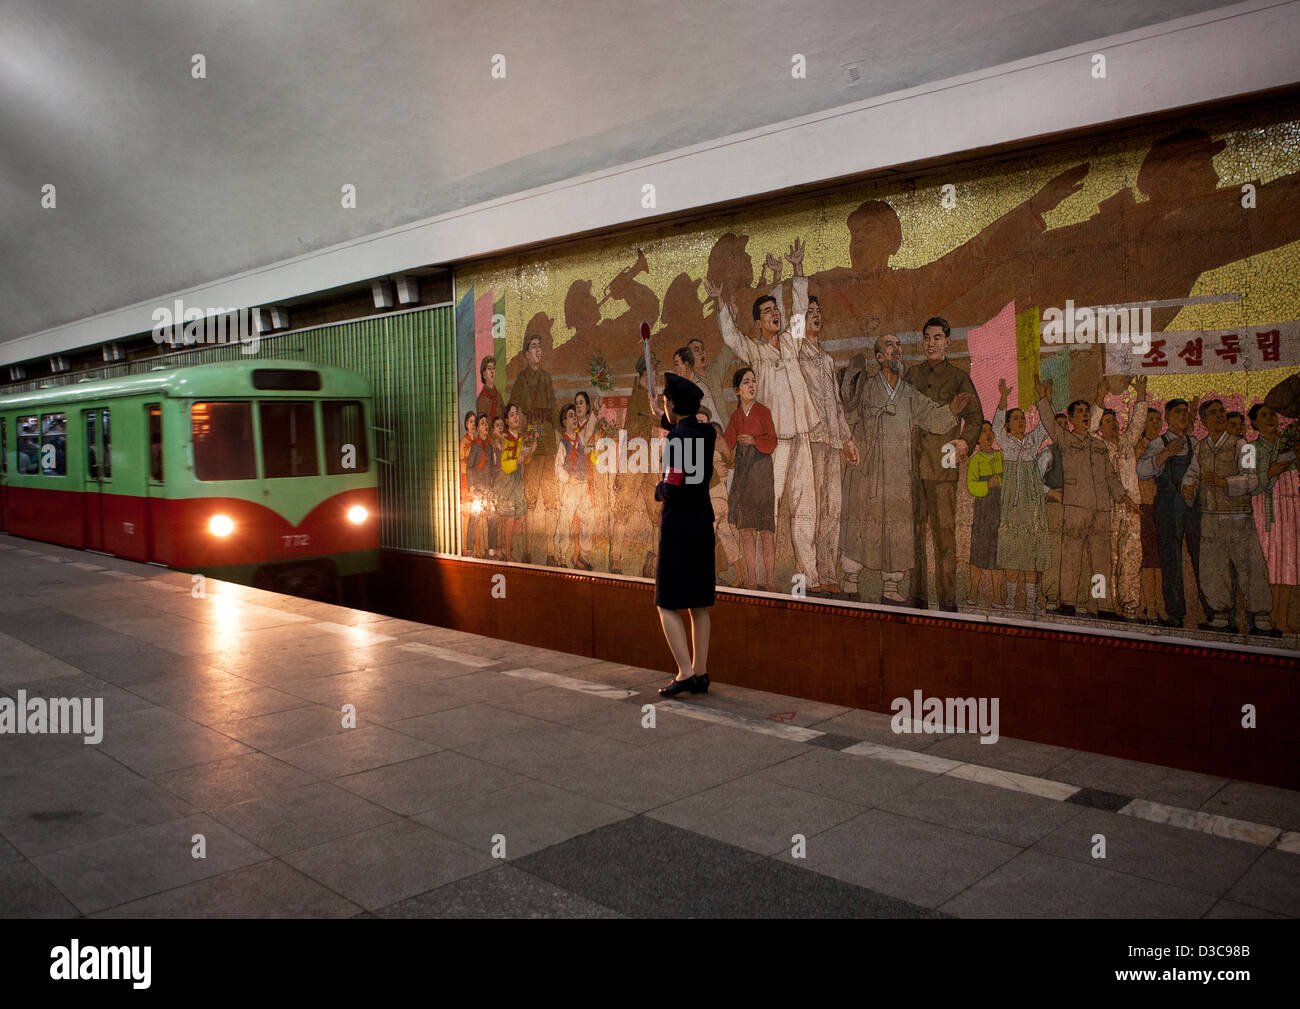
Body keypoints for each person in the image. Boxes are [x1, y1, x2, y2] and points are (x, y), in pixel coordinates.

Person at [707, 239, 821, 590]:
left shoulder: (791, 341)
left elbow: (799, 313)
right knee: (768, 512)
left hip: (801, 431)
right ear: (758, 323)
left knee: (805, 510)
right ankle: (763, 579)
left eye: (776, 309)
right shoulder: (754, 351)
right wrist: (722, 304)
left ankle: (811, 576)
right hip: (770, 444)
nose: (776, 314)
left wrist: (797, 269)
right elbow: (729, 335)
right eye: (768, 311)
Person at [840, 333, 972, 604]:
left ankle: (890, 585)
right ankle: (851, 579)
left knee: (897, 526)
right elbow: (850, 417)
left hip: (898, 472)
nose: (897, 350)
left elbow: (931, 416)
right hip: (867, 469)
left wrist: (952, 410)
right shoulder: (867, 387)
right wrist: (850, 441)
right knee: (862, 522)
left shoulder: (909, 393)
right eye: (890, 346)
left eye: (899, 345)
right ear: (879, 357)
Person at [1034, 378, 1130, 620]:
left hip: (1100, 509)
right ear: (1072, 419)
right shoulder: (1065, 440)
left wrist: (1123, 497)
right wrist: (1044, 399)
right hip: (1076, 507)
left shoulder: (1099, 446)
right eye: (1080, 413)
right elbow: (1049, 424)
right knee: (1071, 557)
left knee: (1101, 561)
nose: (1085, 416)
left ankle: (1104, 606)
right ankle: (1067, 602)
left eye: (1088, 412)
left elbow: (1110, 476)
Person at [905, 316, 983, 611]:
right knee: (913, 534)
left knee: (944, 536)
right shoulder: (911, 376)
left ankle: (947, 599)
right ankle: (918, 596)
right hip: (914, 466)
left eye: (937, 338)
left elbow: (975, 417)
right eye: (927, 338)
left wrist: (965, 442)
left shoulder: (959, 378)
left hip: (943, 464)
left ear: (947, 343)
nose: (931, 344)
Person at [1182, 400, 1279, 636]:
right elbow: (1192, 474)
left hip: (1238, 516)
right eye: (1212, 413)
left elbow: (1252, 479)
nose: (1219, 416)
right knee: (1213, 568)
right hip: (1210, 516)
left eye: (1221, 412)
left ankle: (1262, 618)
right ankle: (1220, 616)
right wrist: (1188, 488)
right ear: (1203, 421)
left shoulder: (1242, 445)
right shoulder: (1201, 447)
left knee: (1250, 565)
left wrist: (1224, 482)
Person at [654, 372, 718, 697]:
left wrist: (659, 488)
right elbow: (687, 432)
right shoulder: (707, 434)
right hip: (702, 527)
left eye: (666, 402)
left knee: (666, 603)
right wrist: (668, 419)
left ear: (673, 404)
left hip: (677, 529)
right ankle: (702, 673)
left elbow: (674, 484)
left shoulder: (675, 439)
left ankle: (684, 672)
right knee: (699, 604)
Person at [798, 292, 860, 593]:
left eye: (818, 310)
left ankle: (829, 573)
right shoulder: (796, 357)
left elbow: (836, 406)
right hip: (810, 442)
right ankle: (811, 575)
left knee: (833, 508)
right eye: (810, 311)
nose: (816, 315)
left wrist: (847, 439)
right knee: (811, 509)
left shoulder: (826, 360)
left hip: (833, 443)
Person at [1137, 397, 1208, 628]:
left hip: (1191, 503)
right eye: (1178, 411)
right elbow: (1142, 470)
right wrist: (1165, 454)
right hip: (1167, 503)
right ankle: (1176, 614)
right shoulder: (1159, 442)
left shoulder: (1194, 442)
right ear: (1168, 417)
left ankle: (1212, 612)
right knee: (1171, 559)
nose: (1183, 415)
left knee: (1201, 555)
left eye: (1185, 412)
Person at [1090, 377, 1150, 621]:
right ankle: (1107, 604)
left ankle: (1129, 605)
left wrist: (1142, 394)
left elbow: (1137, 423)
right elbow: (1091, 428)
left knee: (1131, 556)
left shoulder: (1126, 443)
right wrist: (1099, 401)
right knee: (1109, 558)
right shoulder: (1098, 444)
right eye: (1107, 421)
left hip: (1131, 508)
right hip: (1108, 509)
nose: (1113, 424)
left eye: (1114, 420)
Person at [992, 379, 1051, 614]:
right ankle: (1010, 602)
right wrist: (1004, 398)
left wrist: (1044, 398)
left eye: (1022, 418)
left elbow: (1046, 427)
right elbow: (996, 427)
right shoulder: (1006, 443)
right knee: (1012, 551)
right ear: (1008, 425)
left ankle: (1030, 601)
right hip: (1012, 506)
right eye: (1015, 419)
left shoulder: (1032, 441)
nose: (1021, 422)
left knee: (1031, 552)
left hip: (1031, 505)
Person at [724, 366, 778, 591]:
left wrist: (754, 441)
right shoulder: (736, 417)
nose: (752, 385)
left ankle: (770, 580)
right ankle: (753, 580)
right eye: (746, 382)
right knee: (746, 530)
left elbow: (772, 441)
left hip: (762, 473)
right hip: (744, 476)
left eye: (754, 381)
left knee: (766, 530)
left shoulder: (763, 412)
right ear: (737, 390)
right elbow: (727, 445)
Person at [1248, 403, 1298, 633]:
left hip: (1290, 511)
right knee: (1269, 566)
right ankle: (1266, 619)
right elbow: (1248, 484)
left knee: (1289, 566)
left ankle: (1283, 618)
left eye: (1272, 415)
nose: (1270, 419)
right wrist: (1271, 470)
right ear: (1255, 423)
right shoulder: (1248, 449)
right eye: (1263, 416)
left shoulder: (1289, 444)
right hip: (1264, 512)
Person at [508, 333, 559, 564]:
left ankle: (549, 553)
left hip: (547, 443)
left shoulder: (547, 378)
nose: (538, 350)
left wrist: (558, 435)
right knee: (529, 499)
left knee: (550, 499)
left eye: (540, 346)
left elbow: (554, 407)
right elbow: (515, 411)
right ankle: (527, 550)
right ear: (526, 353)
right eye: (534, 347)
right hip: (530, 445)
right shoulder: (521, 381)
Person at [965, 420, 1004, 607]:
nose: (988, 434)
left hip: (999, 511)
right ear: (978, 438)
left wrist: (1001, 482)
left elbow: (1009, 480)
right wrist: (988, 484)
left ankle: (997, 596)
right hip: (983, 511)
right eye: (983, 431)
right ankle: (973, 592)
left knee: (998, 555)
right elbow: (972, 486)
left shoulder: (1000, 457)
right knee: (978, 554)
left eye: (990, 431)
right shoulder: (975, 460)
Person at [553, 403, 596, 570]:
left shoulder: (580, 438)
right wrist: (568, 478)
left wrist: (596, 411)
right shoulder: (563, 443)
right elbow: (558, 467)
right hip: (571, 487)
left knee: (589, 519)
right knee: (565, 521)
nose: (574, 419)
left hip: (582, 485)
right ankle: (561, 556)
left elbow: (590, 427)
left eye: (575, 416)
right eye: (571, 416)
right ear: (564, 421)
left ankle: (585, 555)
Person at [492, 403, 534, 562]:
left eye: (517, 414)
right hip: (506, 480)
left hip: (517, 479)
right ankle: (508, 557)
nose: (516, 417)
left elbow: (526, 459)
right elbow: (504, 464)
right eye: (512, 415)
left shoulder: (522, 438)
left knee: (522, 516)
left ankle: (504, 546)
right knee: (509, 520)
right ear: (507, 421)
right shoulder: (505, 439)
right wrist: (517, 460)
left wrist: (532, 449)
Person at [477, 356, 504, 428]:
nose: (492, 372)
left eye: (493, 368)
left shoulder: (498, 395)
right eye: (489, 369)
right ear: (484, 374)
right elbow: (482, 425)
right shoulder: (481, 399)